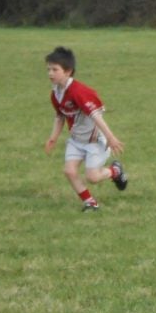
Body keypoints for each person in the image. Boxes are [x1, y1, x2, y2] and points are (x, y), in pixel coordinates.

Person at [44, 46, 128, 211]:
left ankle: (115, 171)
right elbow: (60, 116)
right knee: (69, 171)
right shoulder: (56, 93)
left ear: (68, 71)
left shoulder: (79, 92)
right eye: (48, 69)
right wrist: (53, 137)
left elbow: (96, 117)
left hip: (95, 141)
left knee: (93, 177)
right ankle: (90, 202)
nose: (50, 73)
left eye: (55, 69)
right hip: (76, 140)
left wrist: (110, 137)